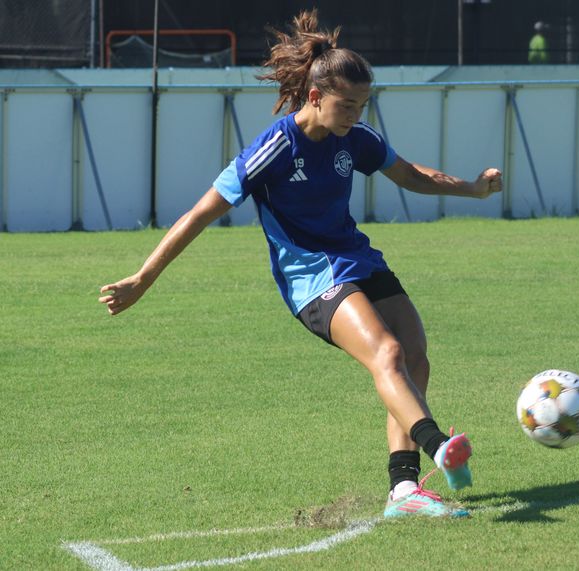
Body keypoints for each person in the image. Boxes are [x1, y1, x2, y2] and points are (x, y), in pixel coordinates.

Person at [98, 9, 502, 519]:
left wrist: (471, 188)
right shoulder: (274, 148)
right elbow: (201, 213)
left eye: (362, 104)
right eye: (347, 105)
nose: (356, 114)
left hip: (356, 257)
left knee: (415, 356)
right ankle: (438, 445)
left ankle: (403, 492)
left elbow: (409, 173)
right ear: (315, 98)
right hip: (311, 278)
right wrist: (142, 278)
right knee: (387, 351)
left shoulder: (355, 137)